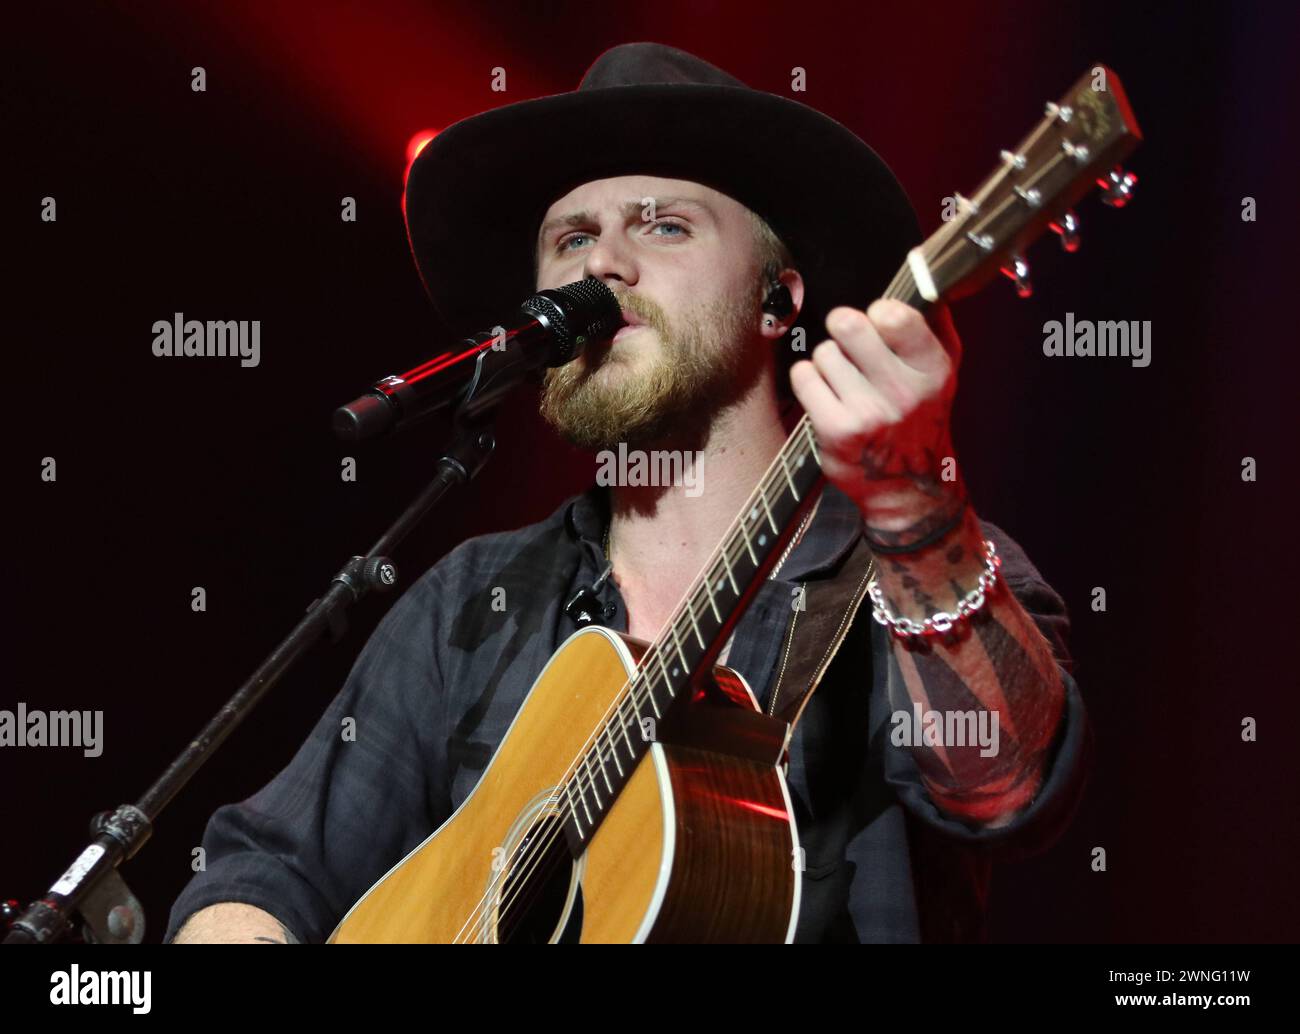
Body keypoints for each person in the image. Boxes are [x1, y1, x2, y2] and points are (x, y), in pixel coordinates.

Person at [166, 42, 1090, 945]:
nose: (599, 266)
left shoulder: (930, 561)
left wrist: (911, 504)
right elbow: (267, 866)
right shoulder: (473, 599)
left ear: (779, 301)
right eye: (572, 237)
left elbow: (1001, 791)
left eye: (664, 225)